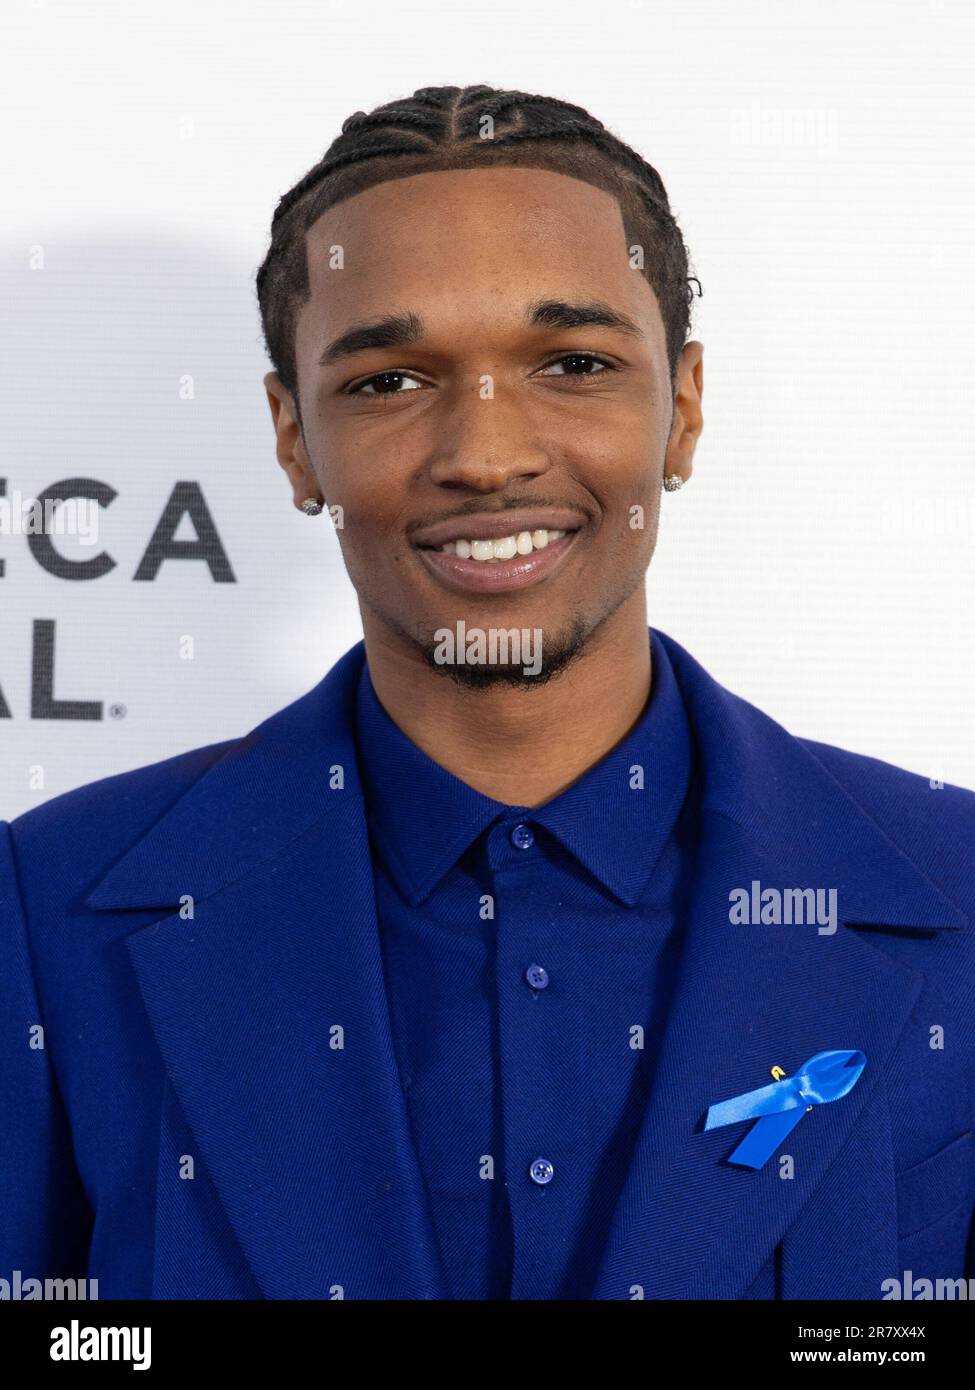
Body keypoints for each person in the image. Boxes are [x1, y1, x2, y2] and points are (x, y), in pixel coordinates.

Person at [2, 84, 973, 1302]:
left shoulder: (953, 886)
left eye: (571, 362)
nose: (485, 453)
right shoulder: (51, 912)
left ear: (684, 409)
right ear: (293, 436)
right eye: (390, 381)